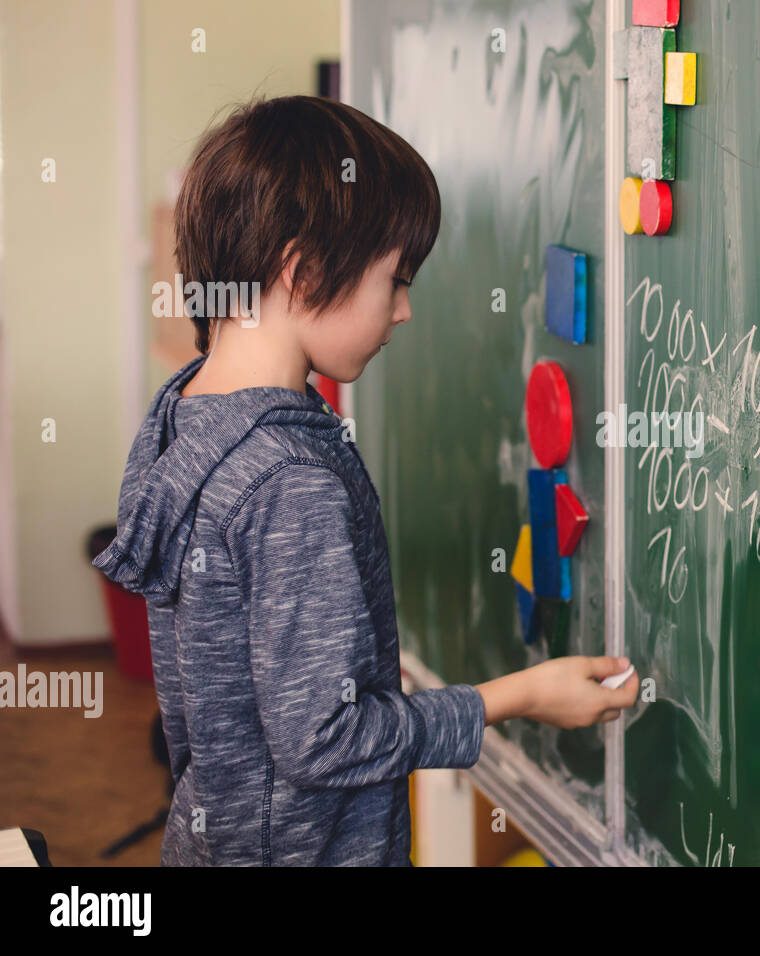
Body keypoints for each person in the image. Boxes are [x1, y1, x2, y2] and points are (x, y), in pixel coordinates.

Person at [92, 95, 636, 866]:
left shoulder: (181, 416)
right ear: (305, 271)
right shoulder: (290, 481)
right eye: (397, 280)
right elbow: (327, 740)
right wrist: (519, 696)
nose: (405, 310)